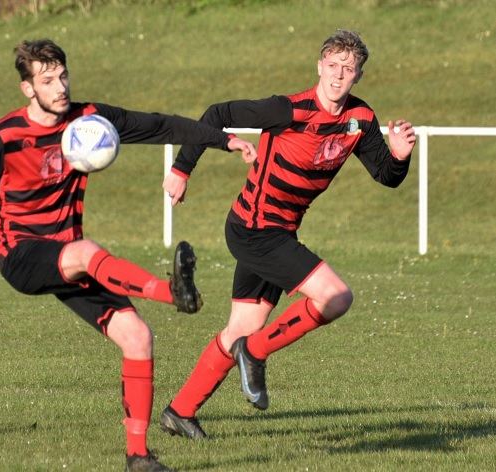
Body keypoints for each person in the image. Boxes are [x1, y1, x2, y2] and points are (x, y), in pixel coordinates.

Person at [0, 39, 256, 472]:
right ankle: (170, 292)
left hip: (69, 255)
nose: (59, 87)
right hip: (20, 255)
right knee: (84, 251)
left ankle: (138, 455)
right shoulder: (4, 137)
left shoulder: (90, 120)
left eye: (62, 76)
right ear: (28, 89)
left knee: (137, 337)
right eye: (47, 80)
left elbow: (158, 126)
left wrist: (222, 141)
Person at [158, 29, 417, 440]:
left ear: (358, 77)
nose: (338, 75)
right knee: (336, 297)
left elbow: (386, 175)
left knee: (239, 329)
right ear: (319, 67)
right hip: (254, 230)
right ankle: (256, 353)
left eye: (348, 69)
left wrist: (400, 157)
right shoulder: (288, 110)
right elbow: (215, 114)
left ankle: (179, 411)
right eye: (332, 65)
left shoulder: (360, 120)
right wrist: (180, 169)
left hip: (278, 234)